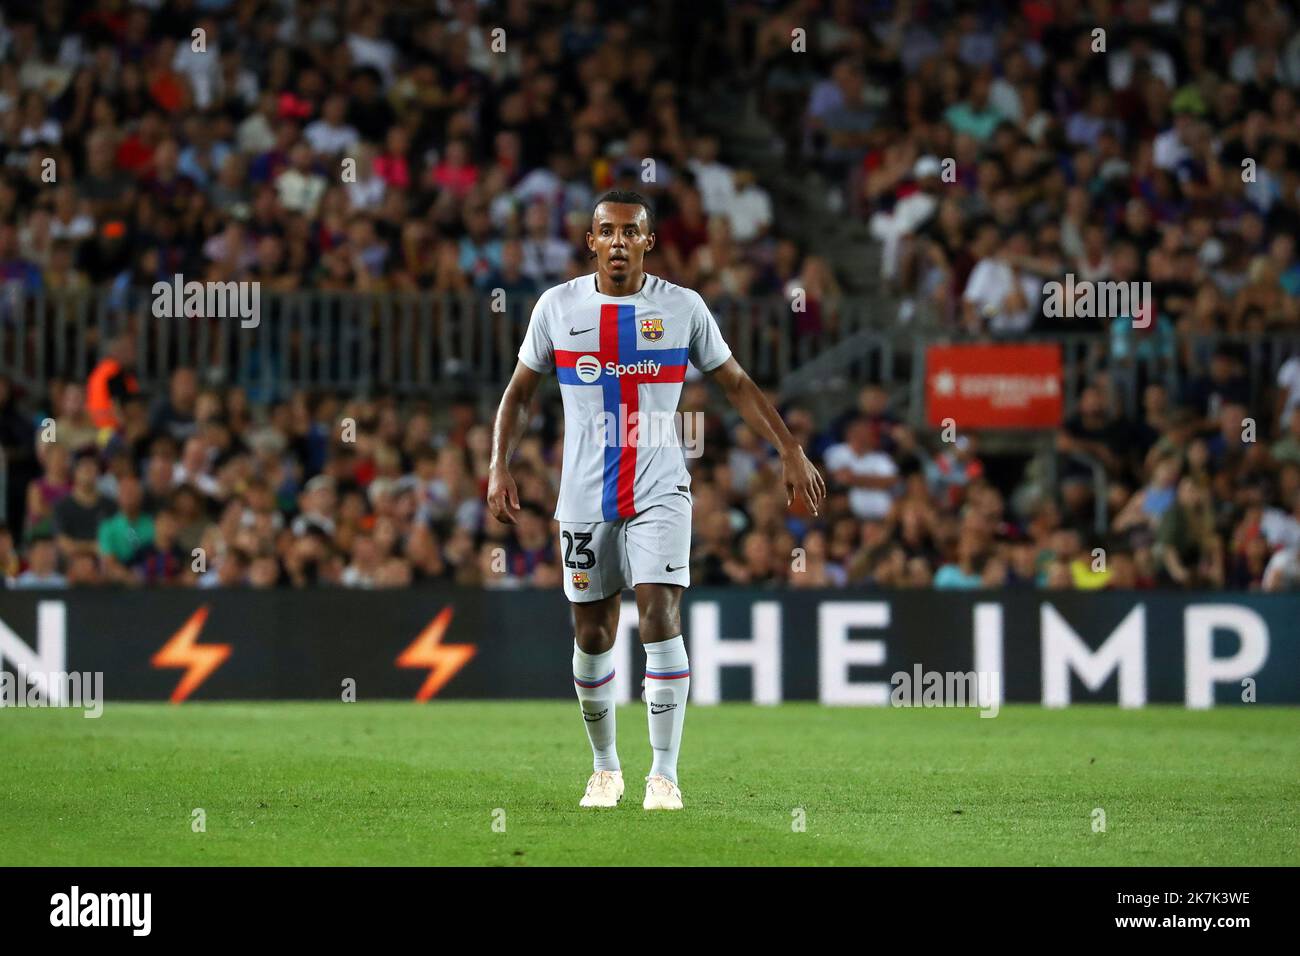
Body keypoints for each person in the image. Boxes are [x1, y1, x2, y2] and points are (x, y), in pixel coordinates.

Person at [487, 190, 824, 811]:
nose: (618, 241)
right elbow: (519, 393)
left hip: (660, 487)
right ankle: (605, 768)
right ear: (591, 241)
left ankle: (664, 775)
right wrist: (498, 462)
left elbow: (737, 384)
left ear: (648, 241)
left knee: (660, 617)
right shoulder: (557, 307)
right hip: (584, 494)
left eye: (630, 232)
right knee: (593, 633)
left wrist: (788, 449)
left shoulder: (682, 308)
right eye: (606, 231)